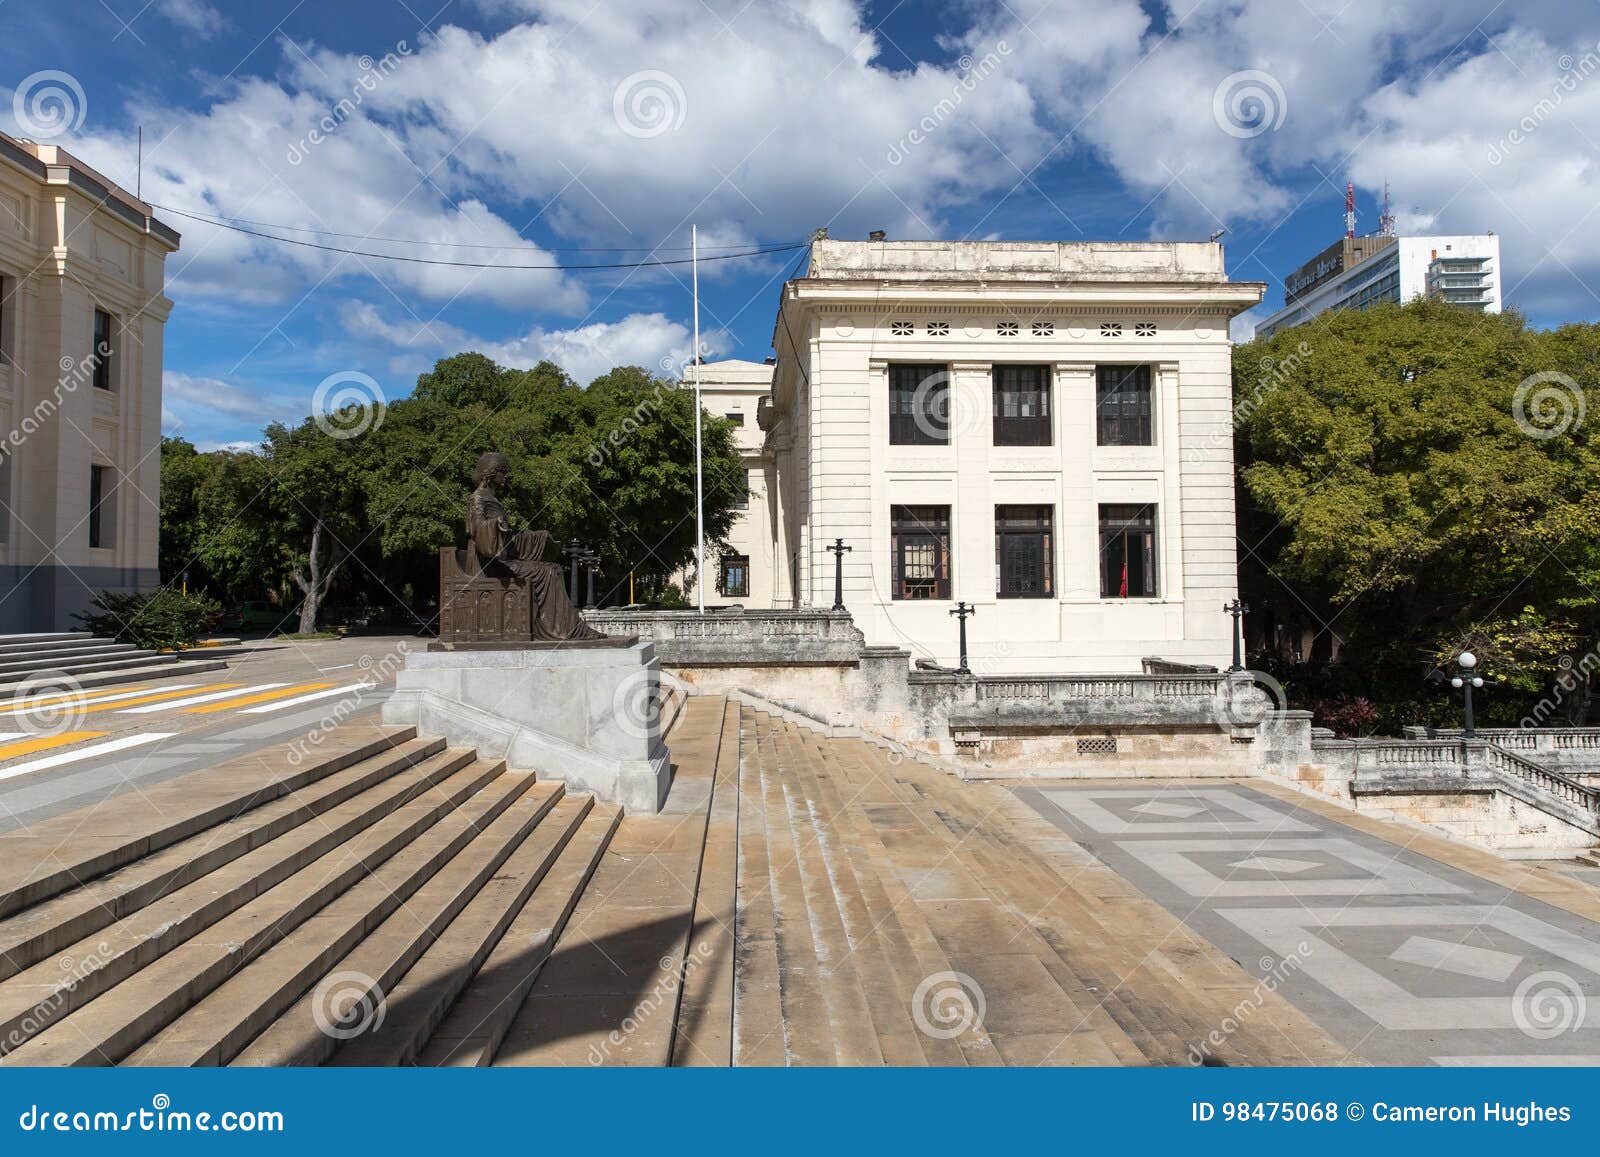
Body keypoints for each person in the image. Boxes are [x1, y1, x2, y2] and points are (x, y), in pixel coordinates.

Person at [464, 452, 605, 641]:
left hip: (501, 560)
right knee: (547, 572)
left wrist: (537, 538)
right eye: (503, 472)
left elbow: (507, 537)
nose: (506, 477)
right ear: (491, 473)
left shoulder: (492, 498)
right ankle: (561, 630)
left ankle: (563, 627)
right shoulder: (477, 498)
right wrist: (495, 524)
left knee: (553, 568)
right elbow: (477, 530)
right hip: (487, 564)